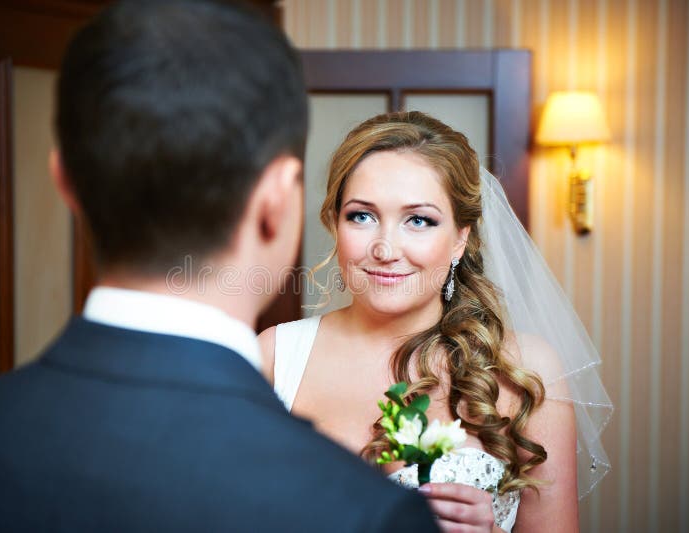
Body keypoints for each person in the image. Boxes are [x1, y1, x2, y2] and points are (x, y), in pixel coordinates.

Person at [0, 3, 439, 532]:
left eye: (418, 220)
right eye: (363, 216)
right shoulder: (364, 512)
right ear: (277, 201)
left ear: (65, 182)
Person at [260, 111, 613, 533]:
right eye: (362, 216)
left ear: (460, 238)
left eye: (419, 220)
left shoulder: (528, 370)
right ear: (336, 223)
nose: (386, 248)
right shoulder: (274, 356)